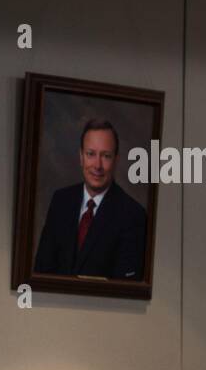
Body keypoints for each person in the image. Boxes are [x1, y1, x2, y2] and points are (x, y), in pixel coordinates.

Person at [33, 119, 148, 280]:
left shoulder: (132, 214)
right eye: (91, 154)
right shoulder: (61, 201)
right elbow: (42, 269)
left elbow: (126, 286)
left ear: (116, 160)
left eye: (106, 156)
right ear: (81, 157)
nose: (97, 165)